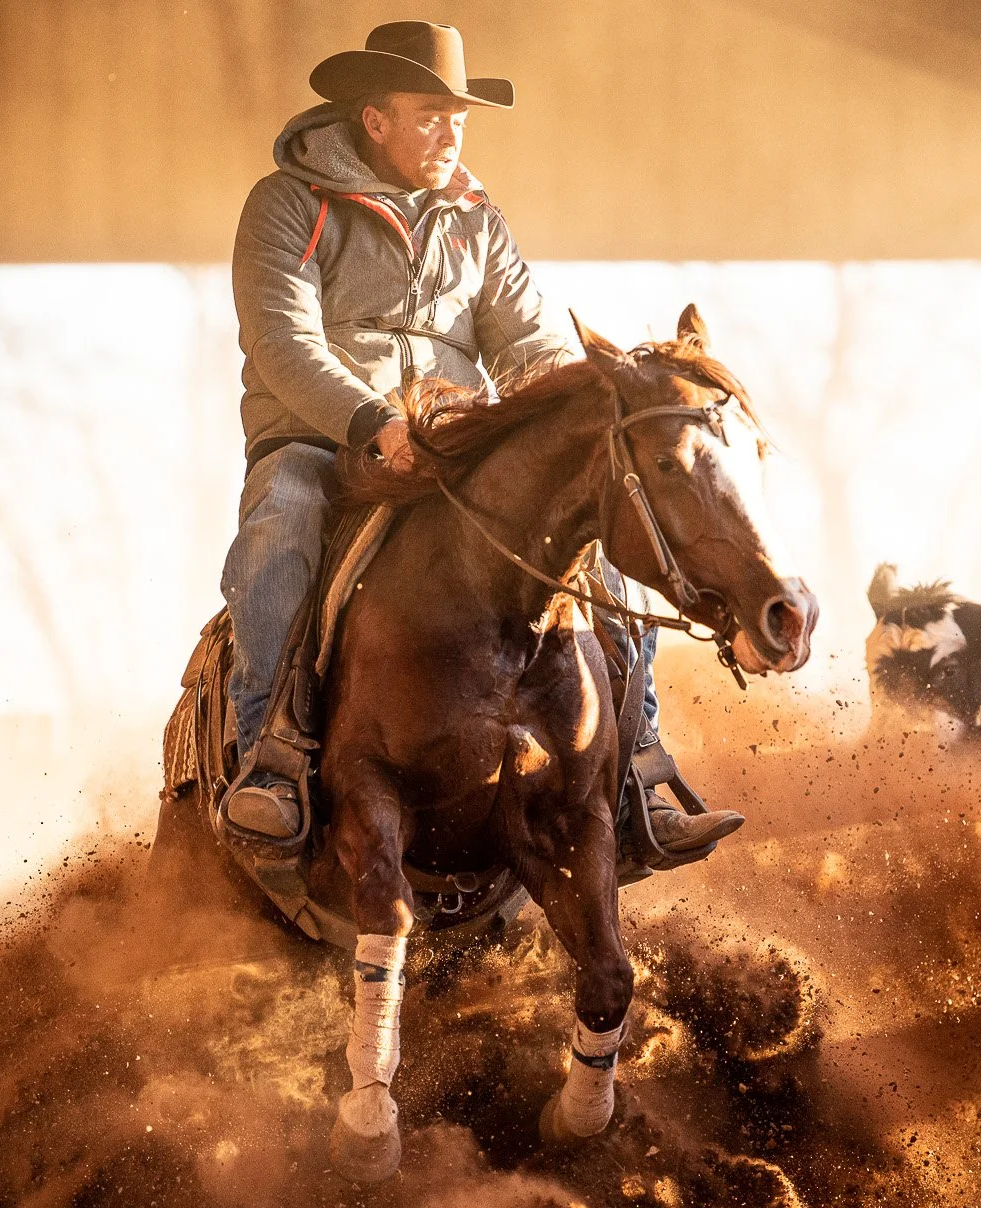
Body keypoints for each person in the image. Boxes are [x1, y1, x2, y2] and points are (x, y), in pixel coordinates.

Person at [220, 19, 741, 858]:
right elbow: (284, 342)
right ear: (373, 119)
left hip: (457, 446)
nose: (450, 131)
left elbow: (529, 345)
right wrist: (374, 422)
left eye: (458, 116)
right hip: (325, 440)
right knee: (280, 525)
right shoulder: (288, 204)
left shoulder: (476, 220)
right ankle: (272, 759)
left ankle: (640, 765)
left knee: (608, 526)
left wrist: (580, 424)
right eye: (430, 114)